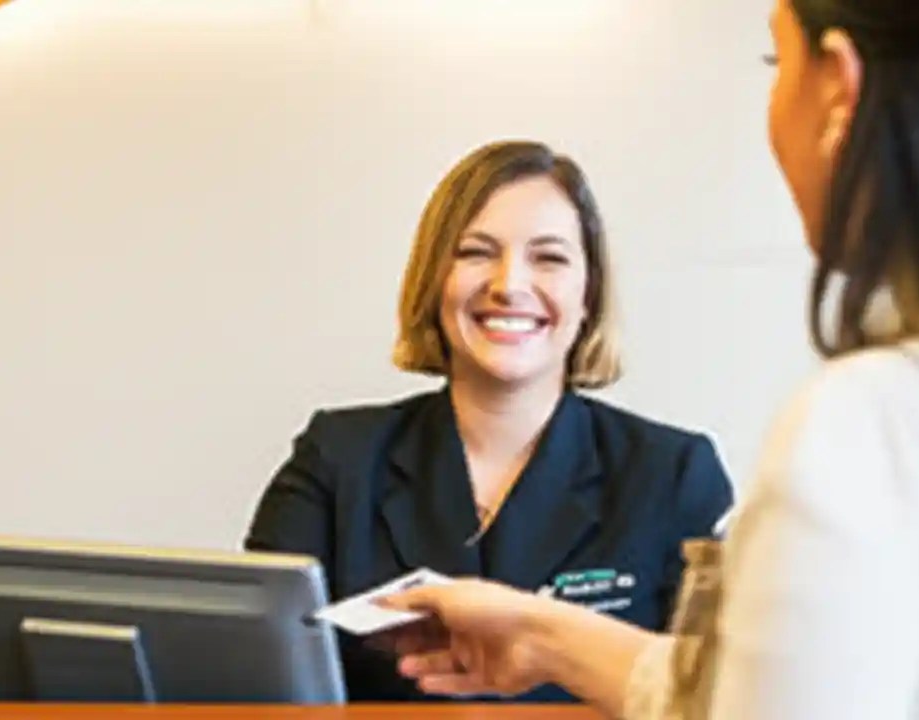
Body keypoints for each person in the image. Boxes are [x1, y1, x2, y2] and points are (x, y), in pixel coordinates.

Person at [381, 1, 919, 718]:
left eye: (777, 63)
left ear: (837, 88)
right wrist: (543, 637)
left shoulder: (862, 428)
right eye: (477, 252)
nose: (509, 284)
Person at [244, 140, 735, 702]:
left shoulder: (675, 474)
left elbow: (723, 699)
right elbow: (255, 675)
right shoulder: (336, 460)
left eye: (548, 258)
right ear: (434, 281)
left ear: (589, 293)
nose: (508, 285)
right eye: (476, 253)